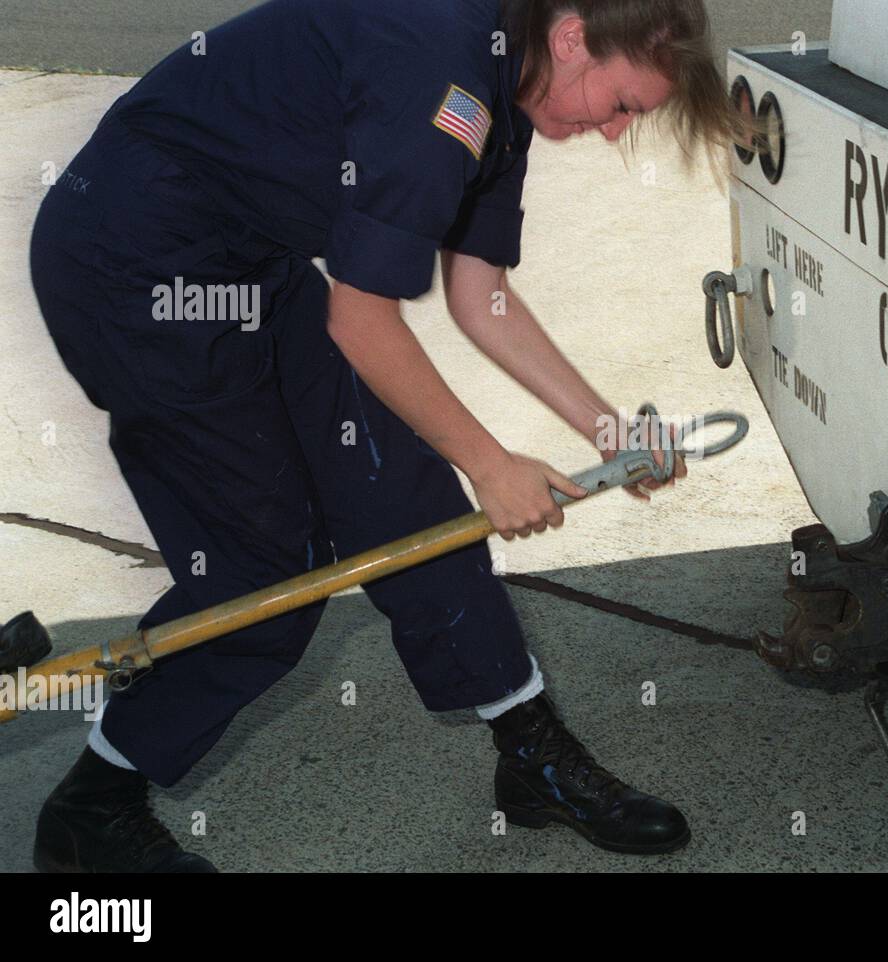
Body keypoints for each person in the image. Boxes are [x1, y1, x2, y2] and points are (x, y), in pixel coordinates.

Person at [28, 0, 739, 871]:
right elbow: (362, 319)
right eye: (623, 103)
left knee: (399, 489)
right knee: (267, 571)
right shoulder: (442, 71)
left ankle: (530, 754)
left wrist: (608, 431)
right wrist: (489, 461)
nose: (608, 129)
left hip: (244, 263)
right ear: (571, 36)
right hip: (130, 266)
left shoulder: (503, 86)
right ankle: (92, 808)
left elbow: (482, 295)